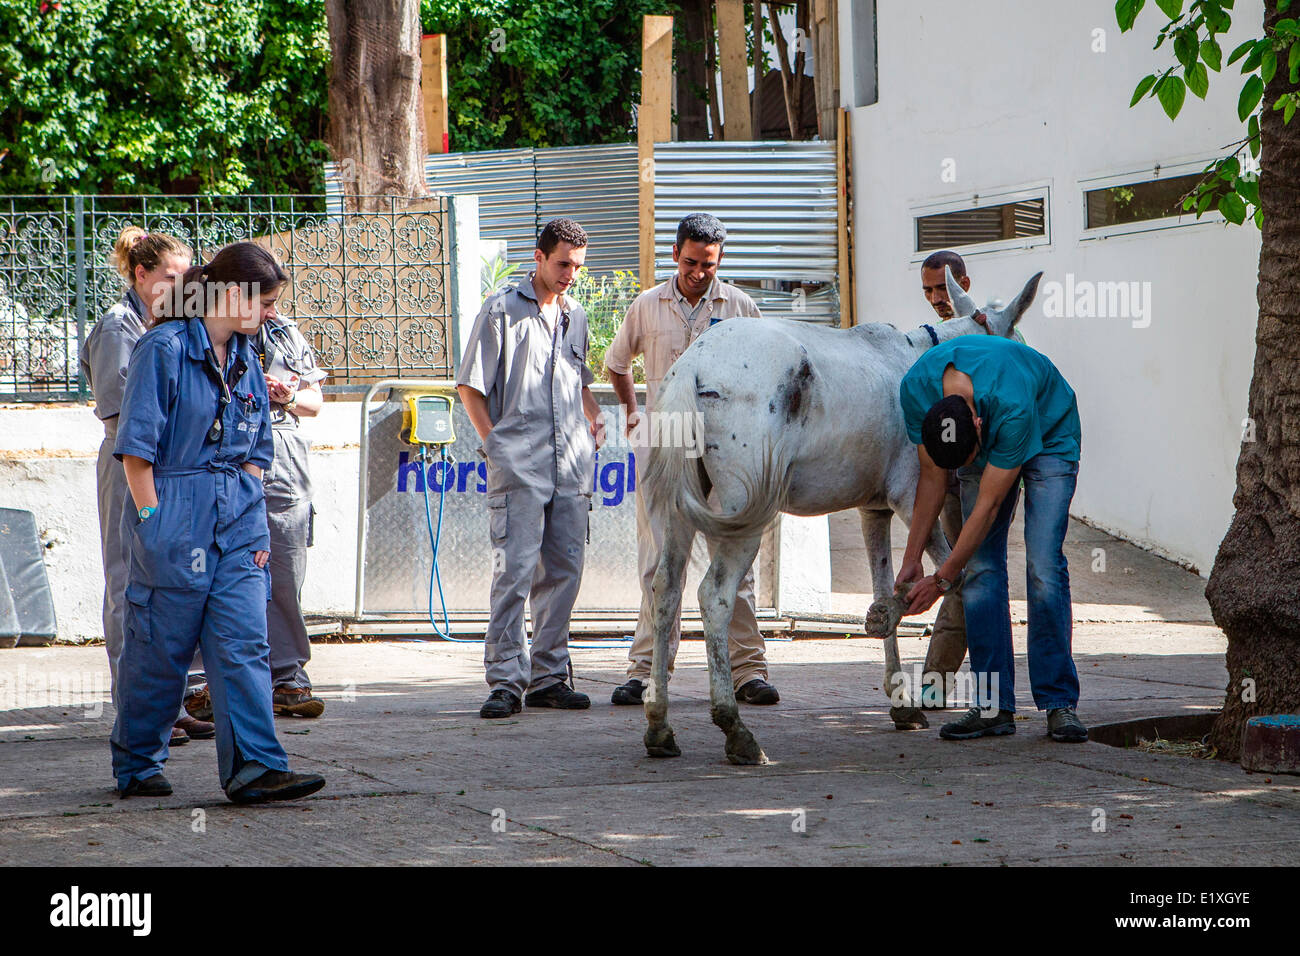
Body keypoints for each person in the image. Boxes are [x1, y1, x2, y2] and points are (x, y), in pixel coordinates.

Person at [111, 241, 327, 801]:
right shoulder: (162, 347)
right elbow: (137, 453)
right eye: (268, 301)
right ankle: (137, 762)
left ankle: (255, 767)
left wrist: (247, 513)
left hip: (239, 519)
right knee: (163, 648)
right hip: (175, 513)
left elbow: (258, 447)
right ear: (232, 294)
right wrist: (155, 520)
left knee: (244, 643)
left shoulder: (247, 357)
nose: (273, 312)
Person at [604, 212, 779, 707]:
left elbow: (769, 374)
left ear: (719, 259)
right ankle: (645, 673)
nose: (698, 272)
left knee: (736, 562)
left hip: (730, 452)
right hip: (669, 444)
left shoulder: (741, 306)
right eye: (689, 262)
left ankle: (747, 671)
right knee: (660, 562)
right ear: (674, 254)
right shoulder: (647, 306)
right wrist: (634, 416)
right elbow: (617, 365)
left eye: (707, 264)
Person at [895, 332, 1087, 743]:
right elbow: (932, 476)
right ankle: (992, 706)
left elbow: (986, 508)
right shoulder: (915, 391)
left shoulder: (1011, 406)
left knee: (1042, 565)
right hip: (997, 429)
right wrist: (913, 558)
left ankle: (1058, 703)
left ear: (978, 424)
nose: (969, 469)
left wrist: (943, 578)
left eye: (970, 462)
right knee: (982, 569)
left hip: (1050, 432)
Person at [456, 218, 604, 719]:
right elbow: (470, 387)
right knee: (514, 574)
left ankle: (548, 677)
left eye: (578, 266)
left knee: (563, 572)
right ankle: (504, 679)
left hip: (571, 467)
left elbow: (578, 378)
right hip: (518, 467)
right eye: (563, 263)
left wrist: (594, 416)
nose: (570, 274)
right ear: (538, 258)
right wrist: (495, 445)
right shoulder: (500, 311)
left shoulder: (575, 315)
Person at [81, 227, 213, 746]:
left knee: (167, 584)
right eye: (172, 277)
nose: (182, 287)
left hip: (168, 464)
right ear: (141, 274)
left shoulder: (171, 323)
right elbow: (122, 409)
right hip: (129, 460)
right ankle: (135, 709)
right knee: (127, 582)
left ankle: (168, 705)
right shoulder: (121, 327)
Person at [915, 250, 1026, 705]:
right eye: (929, 291)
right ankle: (941, 686)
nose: (938, 299)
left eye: (944, 288)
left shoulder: (999, 328)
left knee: (972, 569)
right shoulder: (929, 339)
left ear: (964, 282)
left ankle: (938, 686)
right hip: (947, 472)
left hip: (994, 466)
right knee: (968, 571)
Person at [252, 311, 328, 717]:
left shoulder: (284, 332)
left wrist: (288, 397)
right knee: (215, 574)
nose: (270, 309)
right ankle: (203, 682)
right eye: (262, 298)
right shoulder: (207, 330)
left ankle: (287, 676)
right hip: (225, 454)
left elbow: (315, 402)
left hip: (284, 461)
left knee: (285, 571)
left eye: (274, 299)